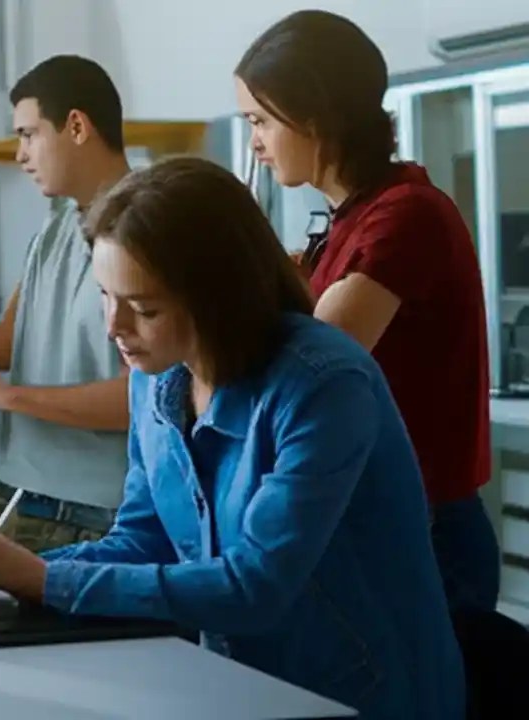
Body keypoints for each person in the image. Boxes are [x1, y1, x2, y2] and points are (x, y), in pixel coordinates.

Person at [0, 157, 465, 719]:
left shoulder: (325, 386)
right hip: (238, 680)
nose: (113, 326)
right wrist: (8, 576)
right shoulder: (157, 377)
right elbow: (142, 541)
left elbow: (254, 586)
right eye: (104, 295)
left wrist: (48, 579)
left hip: (360, 694)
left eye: (143, 307)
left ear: (219, 296)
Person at [234, 9, 499, 613]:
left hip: (425, 531)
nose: (254, 142)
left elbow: (308, 368)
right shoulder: (351, 219)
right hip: (381, 518)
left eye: (260, 121)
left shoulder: (403, 216)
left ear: (315, 119)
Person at [0, 55, 133, 552]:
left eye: (29, 134)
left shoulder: (148, 226)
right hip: (20, 491)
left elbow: (142, 399)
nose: (20, 155)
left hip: (90, 511)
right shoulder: (59, 222)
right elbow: (8, 342)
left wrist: (7, 396)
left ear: (77, 126)